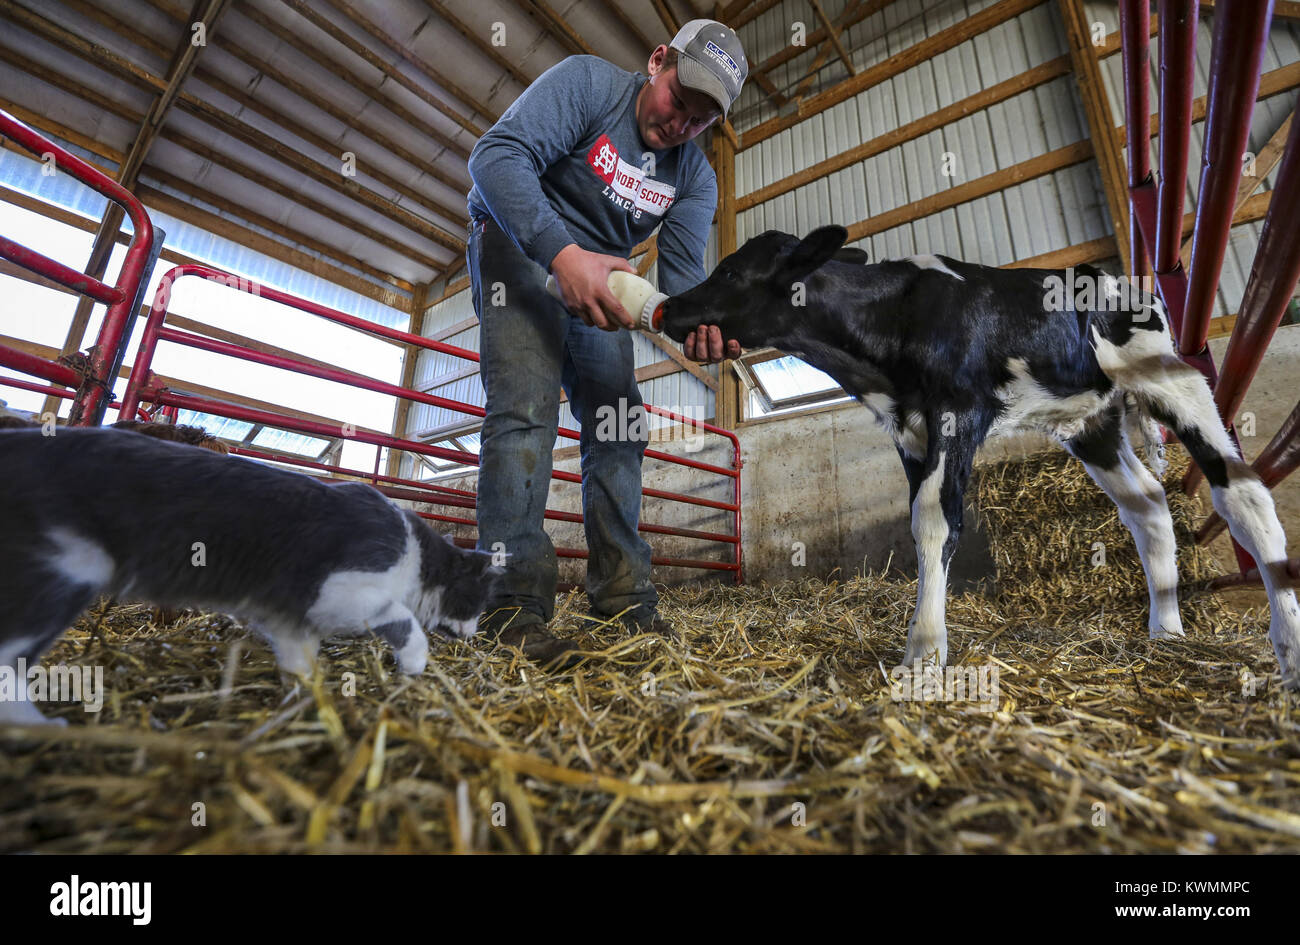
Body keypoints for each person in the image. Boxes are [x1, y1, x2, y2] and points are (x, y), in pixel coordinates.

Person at [464, 19, 748, 666]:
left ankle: (624, 598)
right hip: (516, 238)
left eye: (702, 118)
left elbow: (680, 290)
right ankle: (510, 605)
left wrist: (703, 327)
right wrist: (563, 256)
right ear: (657, 62)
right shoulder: (589, 84)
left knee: (619, 424)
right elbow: (493, 159)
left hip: (601, 275)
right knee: (526, 408)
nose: (682, 123)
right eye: (682, 98)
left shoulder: (694, 179)